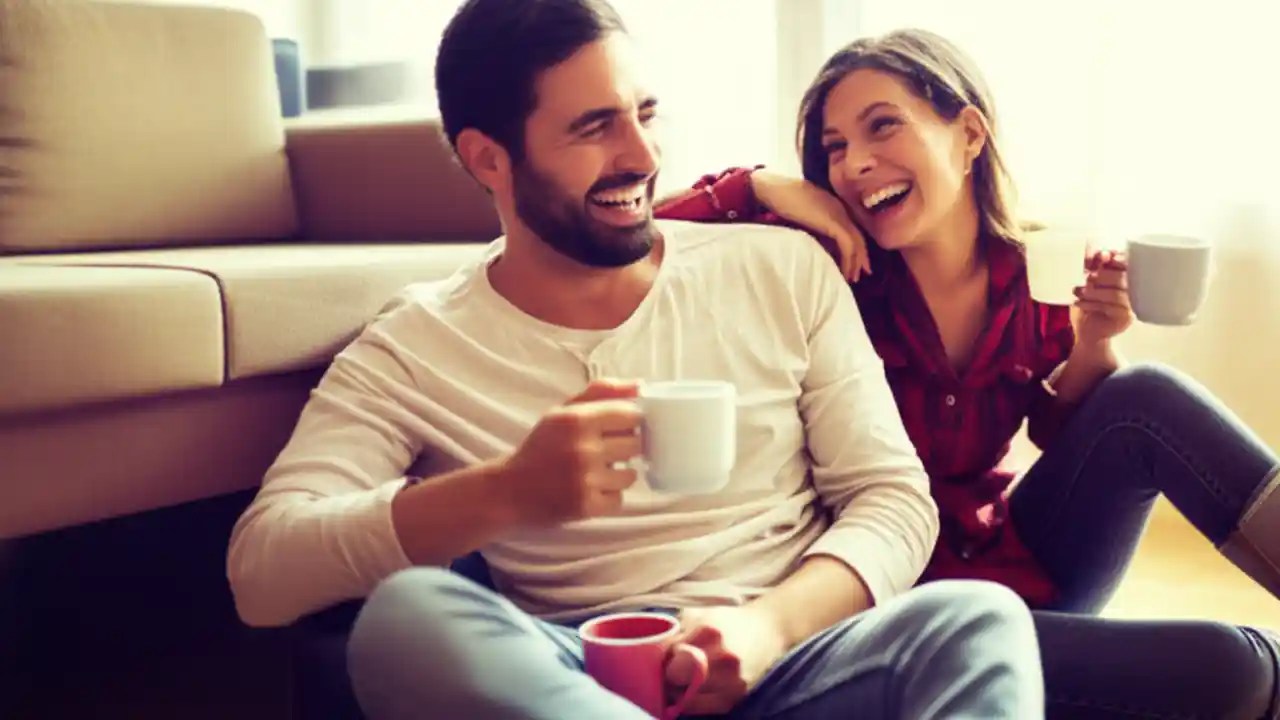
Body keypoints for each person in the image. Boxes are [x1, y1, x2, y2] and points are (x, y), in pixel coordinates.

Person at [225, 2, 1048, 718]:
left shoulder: (781, 268)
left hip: (796, 658)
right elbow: (261, 571)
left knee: (978, 620)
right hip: (573, 672)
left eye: (645, 114)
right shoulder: (415, 343)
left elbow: (894, 500)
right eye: (594, 128)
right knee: (405, 623)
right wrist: (505, 492)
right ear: (489, 159)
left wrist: (765, 628)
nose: (644, 156)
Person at [656, 27, 1280, 719]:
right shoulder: (827, 268)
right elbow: (632, 229)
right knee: (1240, 669)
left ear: (970, 134)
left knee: (1142, 395)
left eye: (882, 126)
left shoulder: (1033, 269)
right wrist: (758, 183)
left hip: (1011, 562)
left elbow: (1054, 433)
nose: (855, 163)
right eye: (834, 148)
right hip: (888, 608)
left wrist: (1094, 344)